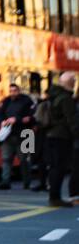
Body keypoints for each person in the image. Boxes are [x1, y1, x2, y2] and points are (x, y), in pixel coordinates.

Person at [41, 71, 77, 207]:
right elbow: (72, 120)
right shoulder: (66, 98)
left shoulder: (52, 95)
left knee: (54, 167)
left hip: (50, 135)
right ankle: (55, 198)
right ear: (70, 83)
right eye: (73, 81)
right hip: (61, 137)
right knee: (59, 168)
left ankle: (53, 196)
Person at [0, 83, 34, 190]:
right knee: (6, 159)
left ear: (19, 90)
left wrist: (17, 120)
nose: (13, 93)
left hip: (25, 134)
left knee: (25, 160)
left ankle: (27, 182)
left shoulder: (27, 101)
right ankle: (5, 181)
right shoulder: (6, 101)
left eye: (15, 91)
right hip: (8, 134)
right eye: (11, 91)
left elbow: (31, 117)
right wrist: (2, 121)